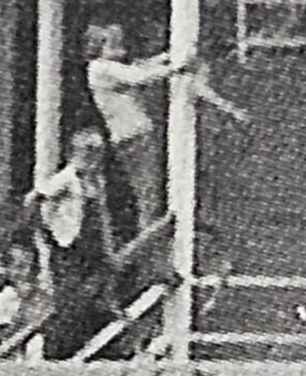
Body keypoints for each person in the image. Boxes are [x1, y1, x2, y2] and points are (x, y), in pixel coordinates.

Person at [81, 22, 248, 235]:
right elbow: (138, 76)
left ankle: (156, 241)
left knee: (151, 192)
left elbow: (138, 68)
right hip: (132, 136)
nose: (119, 47)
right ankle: (149, 250)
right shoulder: (100, 68)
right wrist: (176, 66)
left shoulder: (107, 68)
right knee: (147, 194)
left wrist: (165, 57)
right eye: (111, 43)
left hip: (136, 135)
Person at [22, 126, 115, 357]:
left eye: (97, 152)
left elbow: (101, 214)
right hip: (68, 245)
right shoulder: (66, 178)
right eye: (88, 151)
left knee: (93, 293)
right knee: (69, 297)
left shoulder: (96, 181)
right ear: (75, 152)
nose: (93, 158)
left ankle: (87, 344)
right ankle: (57, 349)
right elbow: (35, 199)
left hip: (92, 245)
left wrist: (108, 244)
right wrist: (48, 232)